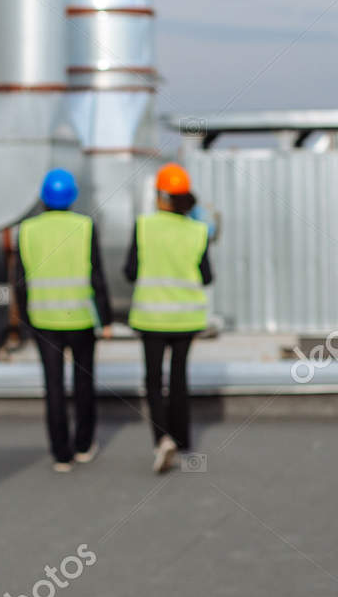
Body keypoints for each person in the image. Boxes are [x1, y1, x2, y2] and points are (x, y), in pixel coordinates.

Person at [17, 168, 113, 473]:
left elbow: (19, 281)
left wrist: (25, 320)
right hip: (81, 319)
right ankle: (83, 445)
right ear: (72, 197)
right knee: (83, 384)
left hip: (44, 319)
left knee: (54, 388)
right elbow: (97, 276)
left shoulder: (28, 230)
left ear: (43, 197)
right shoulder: (85, 227)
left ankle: (61, 454)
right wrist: (106, 319)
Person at [126, 162, 213, 474]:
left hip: (150, 318)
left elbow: (130, 271)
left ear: (160, 195)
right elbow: (206, 276)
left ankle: (161, 439)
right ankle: (183, 438)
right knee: (179, 379)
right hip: (186, 319)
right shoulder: (198, 230)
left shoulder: (144, 226)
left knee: (153, 380)